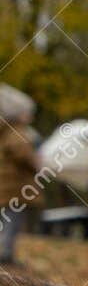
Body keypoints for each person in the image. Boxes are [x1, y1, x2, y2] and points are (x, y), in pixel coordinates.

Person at [0, 85, 40, 268]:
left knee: (8, 220)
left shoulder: (7, 130)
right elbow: (22, 153)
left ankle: (6, 253)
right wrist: (38, 164)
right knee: (11, 221)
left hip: (7, 185)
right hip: (13, 187)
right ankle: (5, 255)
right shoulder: (16, 131)